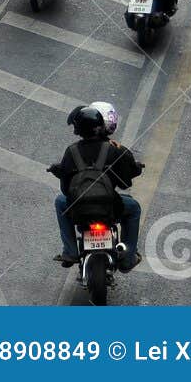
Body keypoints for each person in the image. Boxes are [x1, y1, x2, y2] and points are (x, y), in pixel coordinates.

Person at [50, 104, 143, 269]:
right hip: (110, 206)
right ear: (102, 126)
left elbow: (65, 190)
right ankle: (128, 258)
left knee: (60, 202)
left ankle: (70, 251)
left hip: (77, 207)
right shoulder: (114, 150)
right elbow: (125, 183)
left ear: (77, 129)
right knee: (134, 208)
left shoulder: (71, 151)